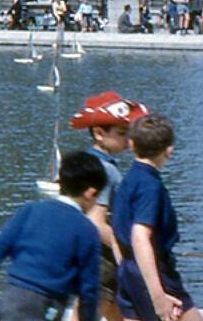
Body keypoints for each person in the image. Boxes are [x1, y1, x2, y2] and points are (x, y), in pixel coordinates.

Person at [0, 150, 106, 321]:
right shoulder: (86, 229)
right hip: (44, 307)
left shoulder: (30, 210)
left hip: (9, 300)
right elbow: (89, 286)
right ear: (91, 193)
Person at [113, 114, 203, 321]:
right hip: (155, 273)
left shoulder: (127, 181)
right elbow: (140, 236)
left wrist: (125, 271)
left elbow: (117, 230)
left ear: (131, 144)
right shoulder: (150, 186)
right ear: (169, 151)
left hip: (128, 269)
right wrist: (158, 296)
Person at [71, 92, 151, 321]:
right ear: (98, 133)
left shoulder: (83, 162)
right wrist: (128, 247)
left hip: (80, 250)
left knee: (115, 308)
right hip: (101, 256)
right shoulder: (106, 170)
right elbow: (96, 222)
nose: (128, 139)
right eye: (121, 133)